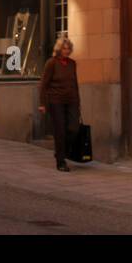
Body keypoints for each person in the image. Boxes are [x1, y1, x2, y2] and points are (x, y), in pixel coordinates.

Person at [38, 37, 81, 172]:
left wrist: (78, 102)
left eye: (68, 48)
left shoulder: (72, 63)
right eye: (64, 48)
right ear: (59, 49)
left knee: (74, 128)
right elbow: (44, 85)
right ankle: (61, 161)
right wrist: (43, 103)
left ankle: (61, 151)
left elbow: (74, 84)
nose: (66, 51)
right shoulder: (51, 63)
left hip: (71, 101)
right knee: (60, 131)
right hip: (56, 101)